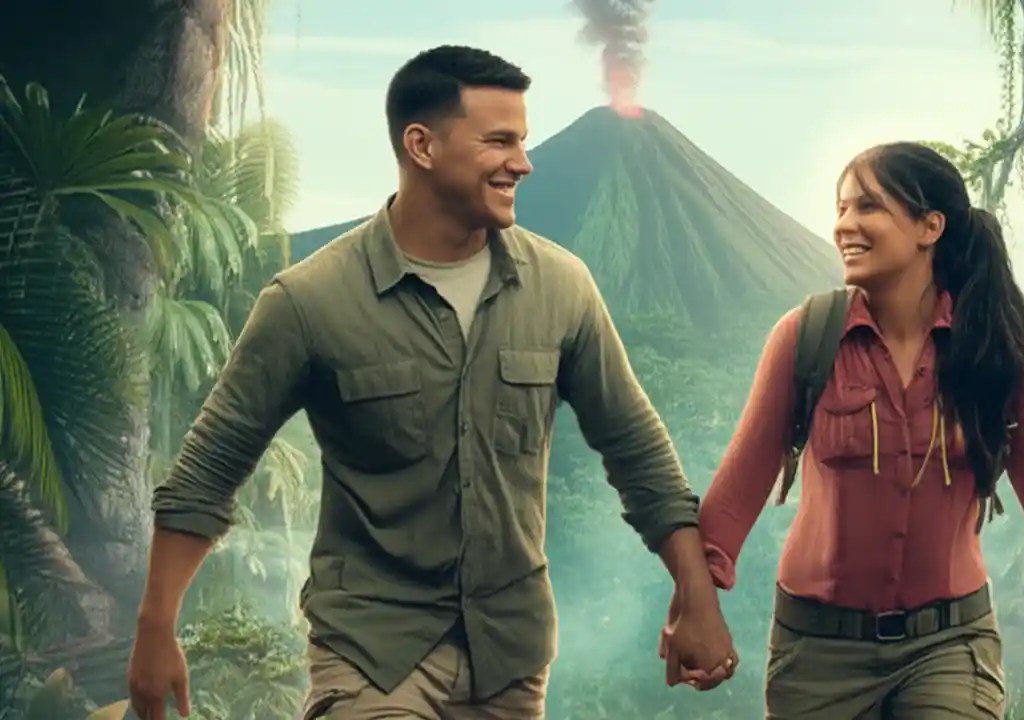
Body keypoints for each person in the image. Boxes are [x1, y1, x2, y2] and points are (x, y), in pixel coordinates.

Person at [126, 45, 736, 720]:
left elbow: (636, 449)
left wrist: (698, 599)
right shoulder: (311, 300)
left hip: (510, 658)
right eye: (499, 141)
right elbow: (208, 473)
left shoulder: (561, 288)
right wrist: (156, 629)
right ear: (421, 145)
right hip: (370, 657)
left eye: (525, 141)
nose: (523, 162)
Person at [686, 142, 1024, 718]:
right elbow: (735, 495)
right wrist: (694, 606)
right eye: (841, 208)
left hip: (949, 645)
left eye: (868, 207)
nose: (845, 225)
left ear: (930, 226)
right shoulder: (805, 339)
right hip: (818, 653)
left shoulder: (991, 351)